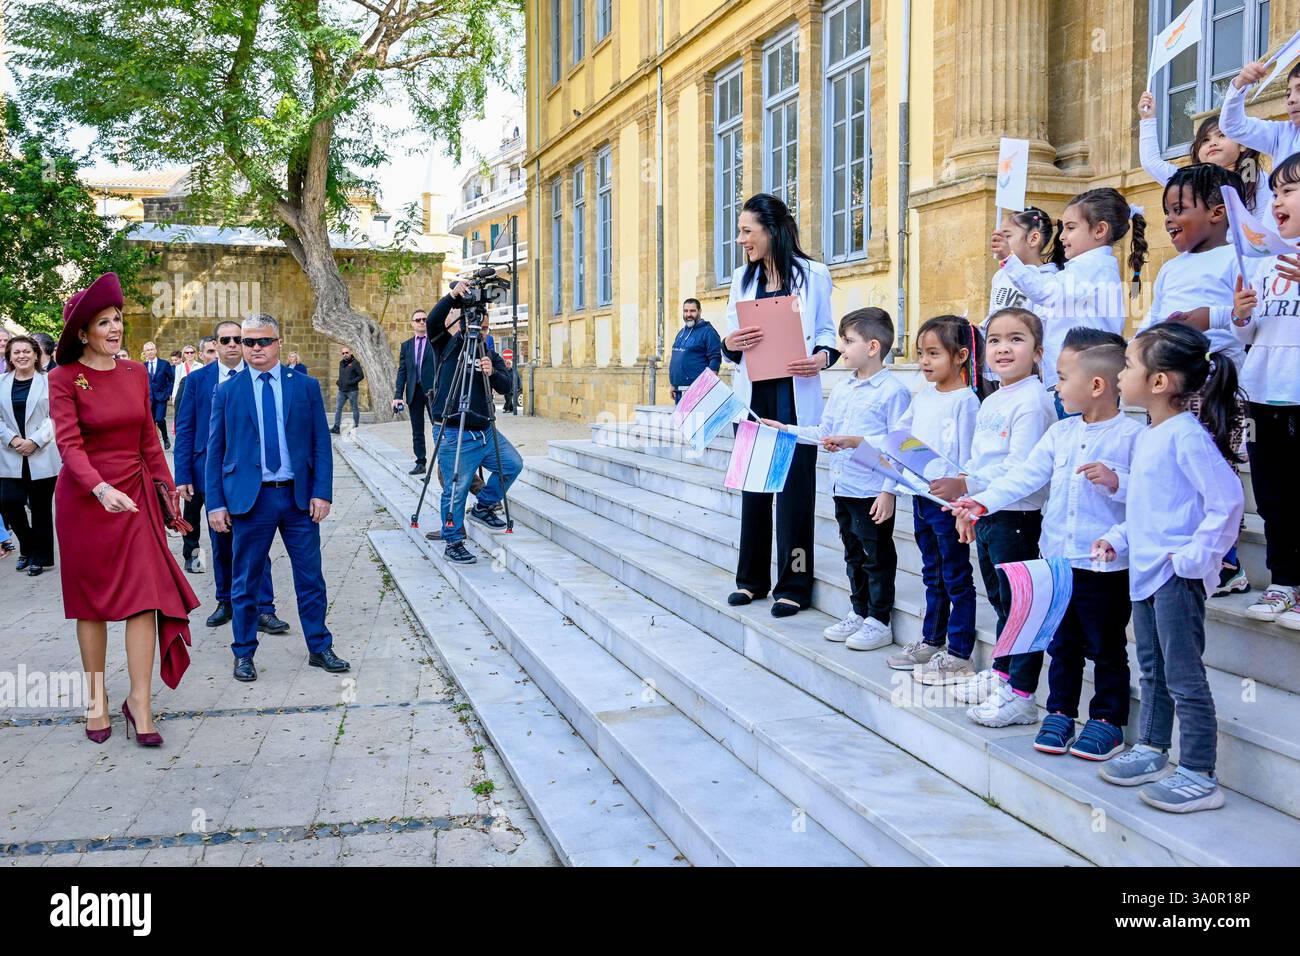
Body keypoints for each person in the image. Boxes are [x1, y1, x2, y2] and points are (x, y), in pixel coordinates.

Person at [951, 329, 1141, 759]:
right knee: (1062, 643)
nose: (1056, 386)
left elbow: (1150, 499)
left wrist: (1117, 482)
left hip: (1103, 567)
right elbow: (1025, 476)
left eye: (1062, 377)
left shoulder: (1132, 437)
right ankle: (1059, 711)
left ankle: (1107, 719)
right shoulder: (1061, 434)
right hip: (1056, 562)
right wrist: (981, 501)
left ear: (1095, 385)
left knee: (1106, 645)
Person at [1094, 323, 1244, 813]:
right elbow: (1145, 500)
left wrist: (1197, 557)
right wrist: (1117, 539)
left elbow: (1226, 500)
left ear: (1159, 382)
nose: (1120, 373)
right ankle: (1154, 748)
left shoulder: (1187, 436)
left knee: (1184, 675)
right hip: (1145, 572)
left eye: (1130, 365)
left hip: (1175, 578)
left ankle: (1200, 772)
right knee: (1153, 669)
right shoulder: (1151, 435)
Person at [48, 273, 200, 746]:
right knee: (90, 605)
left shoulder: (136, 373)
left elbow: (149, 442)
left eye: (117, 320)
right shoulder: (62, 378)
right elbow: (69, 446)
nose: (114, 328)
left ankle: (141, 702)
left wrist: (169, 494)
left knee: (145, 599)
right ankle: (96, 700)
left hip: (134, 500)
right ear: (83, 332)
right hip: (85, 502)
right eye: (103, 322)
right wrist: (98, 489)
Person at [928, 307, 1057, 724]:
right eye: (996, 340)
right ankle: (1003, 673)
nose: (1003, 348)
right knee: (1002, 602)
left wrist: (970, 491)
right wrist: (968, 507)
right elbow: (978, 461)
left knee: (1021, 606)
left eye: (1016, 339)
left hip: (1017, 517)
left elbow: (1022, 468)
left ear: (1038, 352)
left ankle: (1021, 694)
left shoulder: (1034, 403)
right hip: (987, 515)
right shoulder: (994, 398)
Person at [206, 314, 347, 682]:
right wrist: (216, 504)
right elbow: (215, 450)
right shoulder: (228, 391)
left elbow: (321, 444)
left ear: (277, 342)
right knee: (246, 580)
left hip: (298, 500)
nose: (254, 348)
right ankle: (243, 653)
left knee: (311, 578)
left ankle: (319, 647)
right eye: (248, 341)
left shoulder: (305, 387)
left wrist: (322, 492)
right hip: (251, 502)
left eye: (262, 341)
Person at [721, 193, 837, 618]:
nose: (741, 240)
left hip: (795, 396)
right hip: (755, 395)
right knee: (755, 491)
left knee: (794, 497)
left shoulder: (814, 275)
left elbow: (827, 332)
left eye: (747, 231)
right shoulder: (741, 278)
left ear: (770, 230)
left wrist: (821, 357)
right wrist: (729, 344)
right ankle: (750, 580)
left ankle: (795, 583)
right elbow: (731, 338)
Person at [1139, 163, 1251, 597]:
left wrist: (1208, 321)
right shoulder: (1171, 269)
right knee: (1176, 470)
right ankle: (1190, 543)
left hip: (1217, 380)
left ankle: (1227, 561)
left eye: (1180, 209)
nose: (1169, 219)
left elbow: (1244, 316)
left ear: (1219, 212)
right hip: (1170, 386)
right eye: (1167, 210)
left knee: (1215, 467)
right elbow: (1153, 318)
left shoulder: (1238, 258)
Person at [774, 308, 910, 650]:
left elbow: (900, 447)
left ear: (874, 346)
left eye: (849, 342)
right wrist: (786, 430)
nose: (843, 349)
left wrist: (888, 491)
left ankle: (879, 620)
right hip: (844, 487)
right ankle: (859, 610)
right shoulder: (844, 388)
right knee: (853, 554)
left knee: (876, 557)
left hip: (871, 491)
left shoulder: (893, 392)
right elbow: (825, 432)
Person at [885, 315, 984, 679]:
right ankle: (932, 640)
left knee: (956, 575)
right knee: (933, 572)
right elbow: (902, 433)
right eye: (921, 354)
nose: (924, 361)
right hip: (921, 497)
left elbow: (972, 457)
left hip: (949, 504)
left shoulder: (966, 402)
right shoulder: (924, 395)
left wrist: (960, 490)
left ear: (960, 356)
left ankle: (959, 652)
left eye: (933, 354)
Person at [173, 320, 285, 632]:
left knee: (255, 543)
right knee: (221, 541)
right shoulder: (197, 381)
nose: (234, 344)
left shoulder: (260, 377)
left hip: (251, 475)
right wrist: (183, 474)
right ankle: (226, 600)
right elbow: (185, 429)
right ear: (216, 345)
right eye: (226, 340)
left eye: (240, 339)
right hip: (211, 473)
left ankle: (264, 607)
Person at [992, 187, 1146, 411]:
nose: (1062, 236)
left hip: (1083, 379)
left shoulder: (1091, 269)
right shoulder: (1085, 269)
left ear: (1100, 230)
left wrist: (1009, 259)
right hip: (1076, 378)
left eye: (1071, 228)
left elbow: (1045, 292)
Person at [1232, 154, 1300, 628]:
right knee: (1274, 496)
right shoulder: (1265, 262)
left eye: (1290, 191)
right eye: (1275, 192)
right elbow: (1248, 334)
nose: (1278, 201)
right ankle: (1283, 583)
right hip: (1262, 394)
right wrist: (1240, 314)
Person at [423, 281, 521, 565]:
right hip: (454, 431)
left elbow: (508, 387)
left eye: (487, 328)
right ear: (463, 322)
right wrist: (452, 296)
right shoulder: (446, 345)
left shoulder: (489, 354)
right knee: (455, 488)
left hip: (485, 431)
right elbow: (432, 321)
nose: (481, 331)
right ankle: (453, 540)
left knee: (513, 464)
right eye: (477, 324)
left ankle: (485, 505)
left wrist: (492, 374)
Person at [1138, 92, 1271, 216]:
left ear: (1242, 145)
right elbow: (1151, 163)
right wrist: (1147, 119)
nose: (1213, 143)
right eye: (1205, 140)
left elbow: (1263, 227)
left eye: (1221, 136)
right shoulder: (1190, 181)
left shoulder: (1257, 179)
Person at [0, 335, 61, 576]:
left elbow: (57, 416)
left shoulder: (49, 382)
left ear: (36, 355)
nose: (22, 355)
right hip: (10, 453)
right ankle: (27, 546)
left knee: (40, 507)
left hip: (42, 452)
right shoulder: (1, 382)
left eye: (26, 351)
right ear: (10, 358)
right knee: (10, 503)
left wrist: (34, 441)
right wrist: (13, 440)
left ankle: (42, 557)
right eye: (16, 352)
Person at [1219, 59, 1300, 190]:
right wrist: (1240, 83)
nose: (1291, 100)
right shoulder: (1281, 133)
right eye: (1288, 94)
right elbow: (1233, 126)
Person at [393, 309, 437, 475]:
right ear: (412, 323)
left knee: (438, 427)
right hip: (413, 392)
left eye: (424, 319)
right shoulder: (406, 346)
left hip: (432, 392)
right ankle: (420, 462)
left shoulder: (434, 341)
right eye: (417, 320)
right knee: (417, 430)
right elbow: (402, 371)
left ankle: (444, 459)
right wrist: (398, 396)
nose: (421, 322)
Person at [668, 298, 723, 403]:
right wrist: (673, 384)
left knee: (697, 419)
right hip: (679, 392)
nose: (688, 314)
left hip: (697, 392)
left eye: (692, 311)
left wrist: (707, 386)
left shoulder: (708, 332)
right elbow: (676, 358)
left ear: (700, 311)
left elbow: (715, 359)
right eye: (686, 311)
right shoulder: (681, 333)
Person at [141, 340, 175, 450]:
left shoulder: (164, 364)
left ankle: (165, 438)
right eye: (147, 350)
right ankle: (153, 444)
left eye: (151, 349)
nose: (150, 352)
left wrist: (168, 392)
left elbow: (171, 379)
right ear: (144, 353)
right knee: (151, 422)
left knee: (160, 418)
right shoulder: (143, 366)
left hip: (161, 397)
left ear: (155, 350)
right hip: (149, 398)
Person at [331, 345, 363, 433]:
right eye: (343, 353)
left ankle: (355, 427)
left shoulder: (355, 363)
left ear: (350, 353)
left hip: (352, 391)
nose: (345, 354)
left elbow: (361, 376)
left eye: (346, 353)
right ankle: (336, 427)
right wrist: (339, 382)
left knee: (354, 409)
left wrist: (350, 382)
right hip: (342, 391)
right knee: (338, 408)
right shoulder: (341, 363)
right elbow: (342, 375)